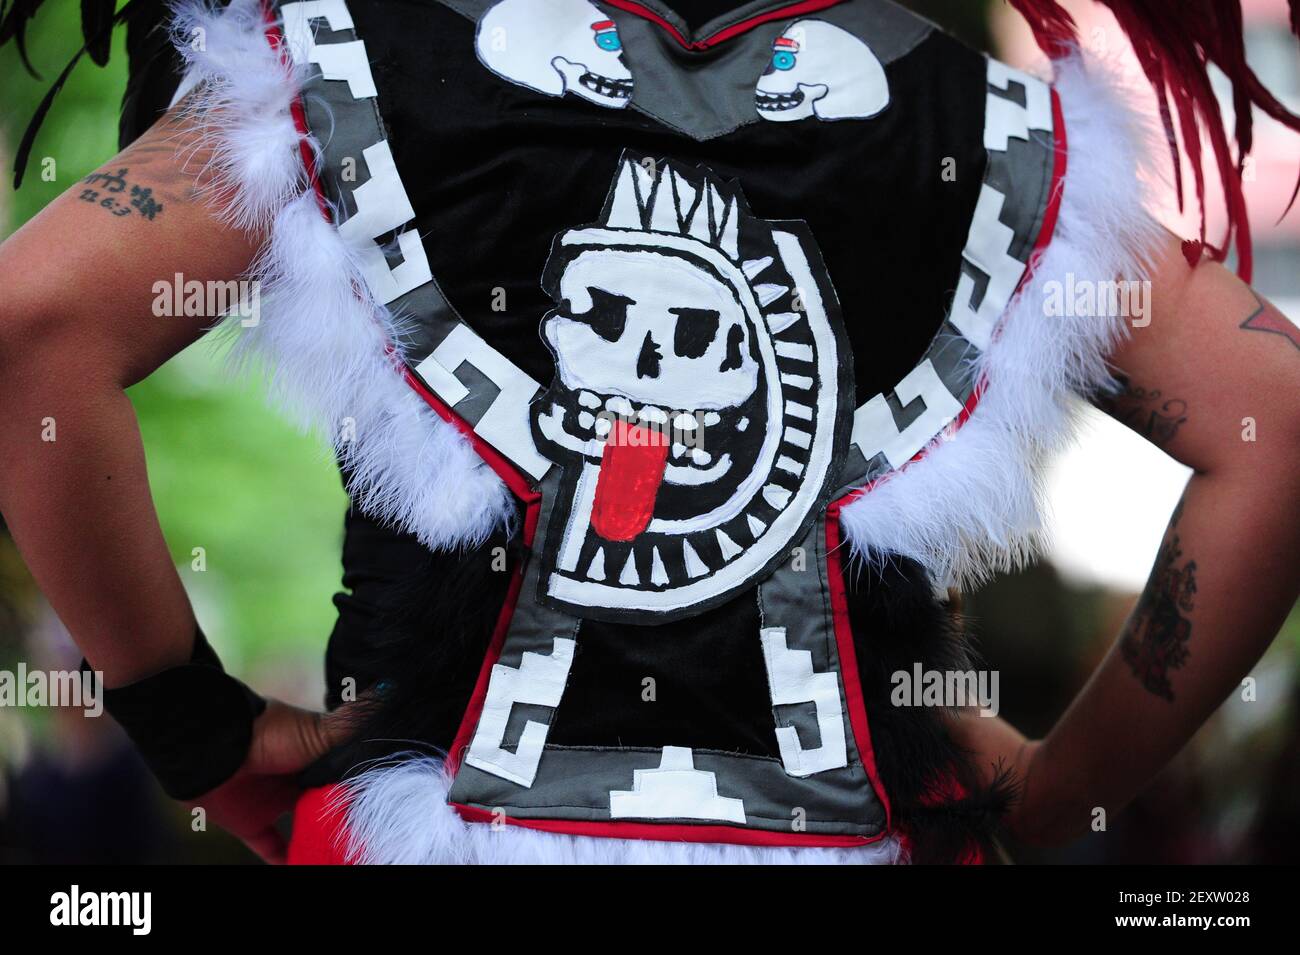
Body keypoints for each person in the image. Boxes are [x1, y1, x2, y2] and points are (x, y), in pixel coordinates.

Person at [0, 0, 1296, 864]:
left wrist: (197, 735)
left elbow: (32, 327)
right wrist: (1069, 789)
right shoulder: (995, 134)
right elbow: (1277, 426)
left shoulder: (344, 69)